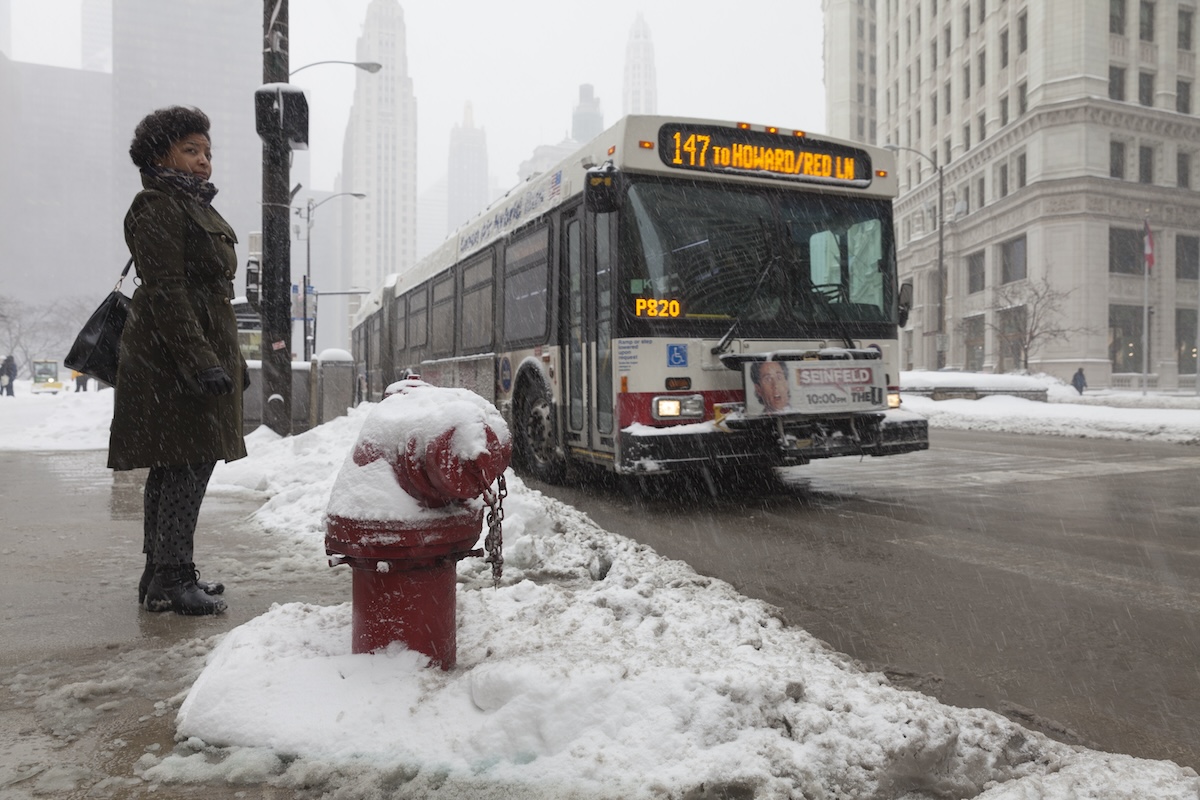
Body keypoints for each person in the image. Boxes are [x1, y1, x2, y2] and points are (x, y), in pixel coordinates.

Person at [109, 106, 249, 616]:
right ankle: (171, 574)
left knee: (177, 463)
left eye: (207, 152)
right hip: (172, 359)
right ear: (159, 155)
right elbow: (167, 292)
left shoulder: (192, 206)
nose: (203, 162)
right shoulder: (159, 205)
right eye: (191, 150)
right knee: (186, 463)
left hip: (195, 351)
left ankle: (162, 573)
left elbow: (208, 296)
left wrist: (228, 360)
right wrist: (200, 360)